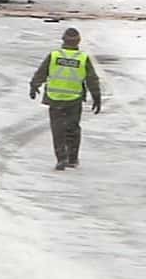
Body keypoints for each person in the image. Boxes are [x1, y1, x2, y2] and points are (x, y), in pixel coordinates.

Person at [29, 27, 102, 171]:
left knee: (58, 130)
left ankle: (61, 158)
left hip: (55, 99)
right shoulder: (83, 58)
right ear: (78, 41)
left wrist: (34, 85)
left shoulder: (54, 56)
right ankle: (72, 159)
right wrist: (96, 97)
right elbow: (92, 79)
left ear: (63, 40)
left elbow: (42, 72)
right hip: (74, 100)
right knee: (73, 129)